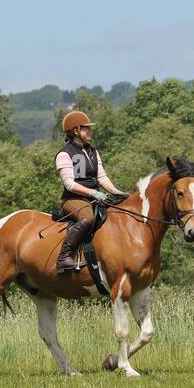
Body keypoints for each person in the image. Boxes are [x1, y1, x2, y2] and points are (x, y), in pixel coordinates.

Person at [54, 110, 126, 272]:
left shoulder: (93, 151)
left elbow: (102, 177)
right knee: (87, 218)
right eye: (86, 128)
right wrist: (93, 193)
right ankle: (64, 257)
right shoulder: (65, 154)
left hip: (96, 198)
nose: (89, 131)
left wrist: (117, 192)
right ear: (75, 131)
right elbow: (70, 185)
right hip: (73, 199)